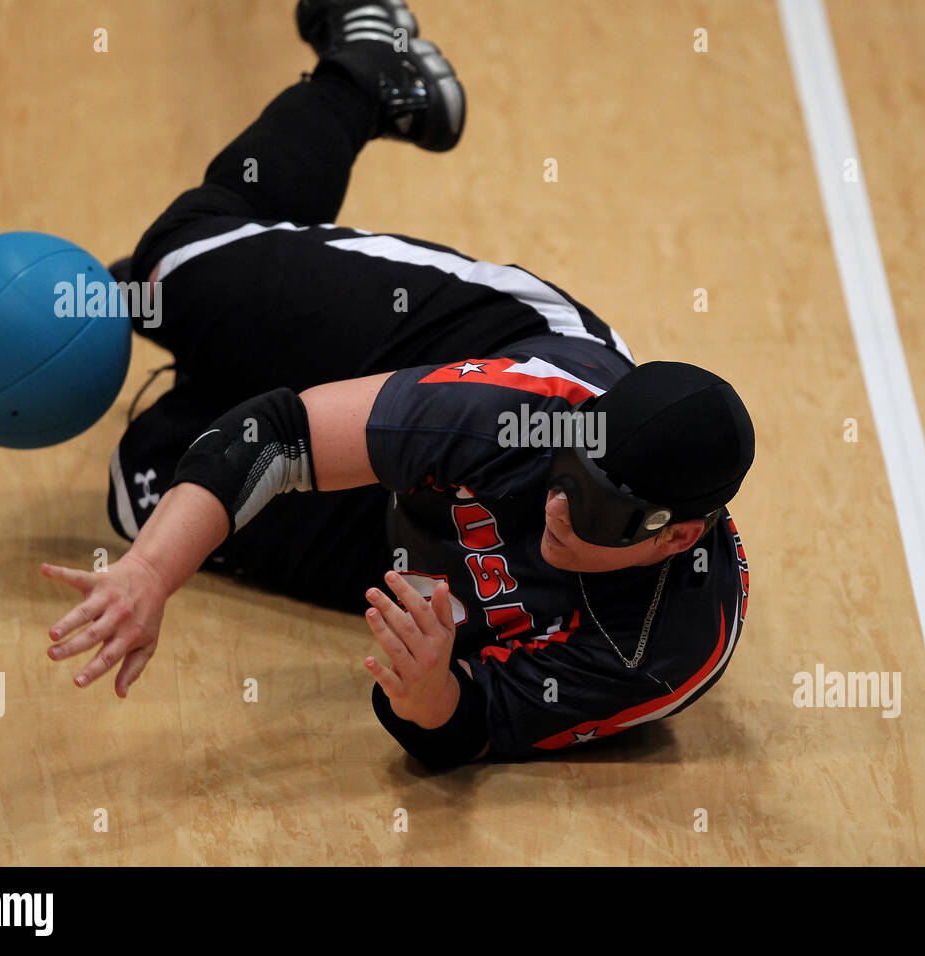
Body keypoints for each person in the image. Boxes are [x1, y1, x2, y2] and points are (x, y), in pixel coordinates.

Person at [41, 0, 754, 771]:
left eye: (597, 508)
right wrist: (150, 575)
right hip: (449, 337)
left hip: (402, 533)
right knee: (170, 275)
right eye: (568, 475)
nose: (558, 507)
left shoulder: (663, 651)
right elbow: (279, 433)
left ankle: (227, 334)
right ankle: (369, 72)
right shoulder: (520, 416)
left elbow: (475, 725)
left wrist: (428, 692)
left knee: (143, 477)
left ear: (677, 535)